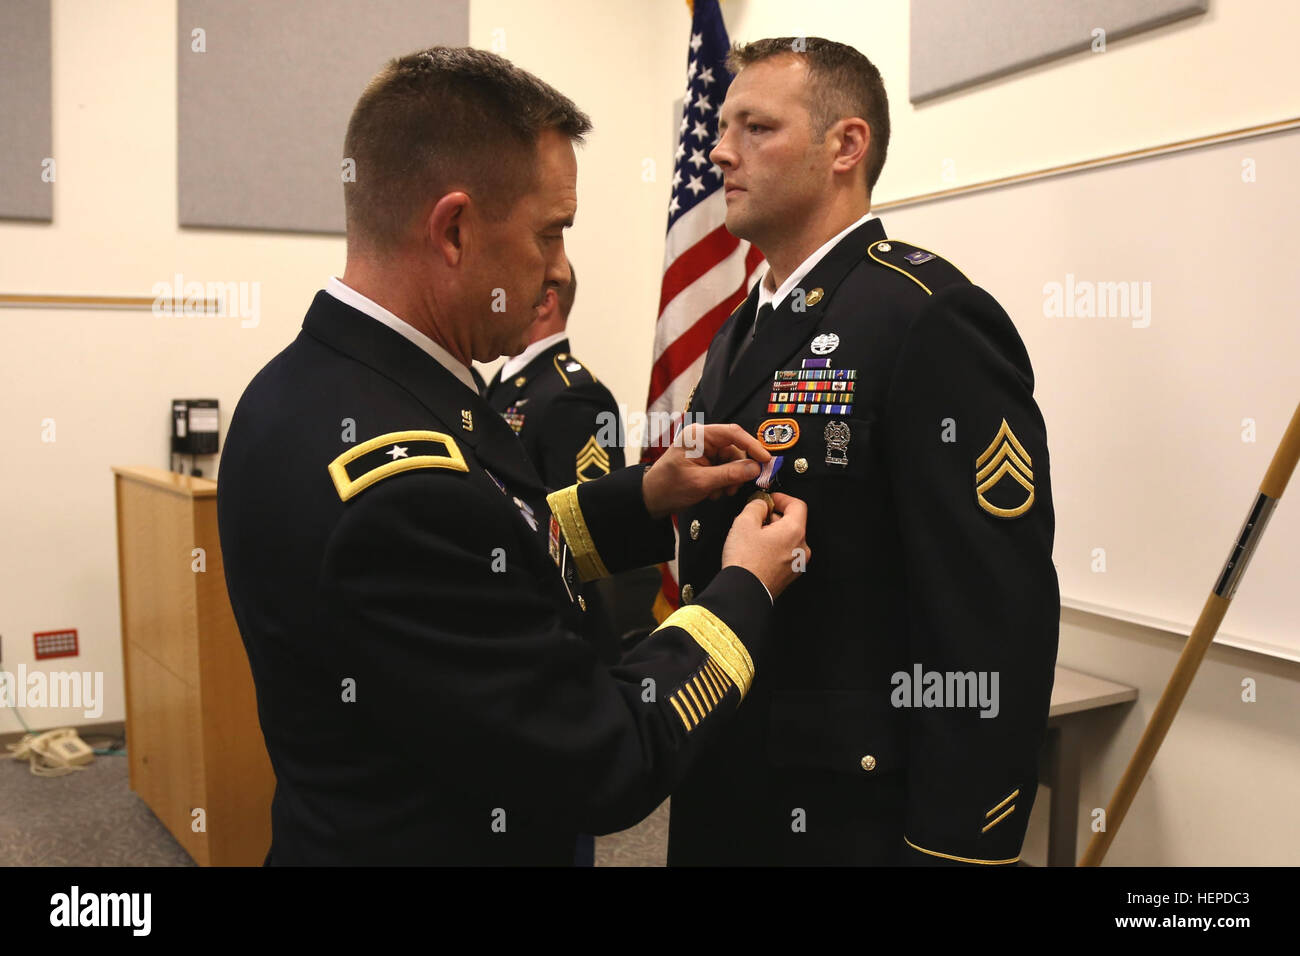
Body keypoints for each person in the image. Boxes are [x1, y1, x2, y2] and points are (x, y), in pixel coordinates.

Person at [216, 46, 810, 866]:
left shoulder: (305, 388)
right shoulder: (401, 484)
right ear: (454, 229)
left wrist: (642, 497)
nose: (560, 270)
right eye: (550, 232)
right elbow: (604, 757)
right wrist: (744, 589)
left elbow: (496, 535)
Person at [666, 37, 1060, 866]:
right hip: (729, 771)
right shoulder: (744, 323)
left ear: (846, 146)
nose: (720, 150)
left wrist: (956, 845)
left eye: (755, 128)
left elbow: (990, 610)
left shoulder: (925, 314)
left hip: (849, 811)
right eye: (722, 127)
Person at [485, 260, 624, 488]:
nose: (494, 302)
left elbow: (588, 512)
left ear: (545, 302)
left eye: (505, 292)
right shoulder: (507, 378)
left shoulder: (576, 395)